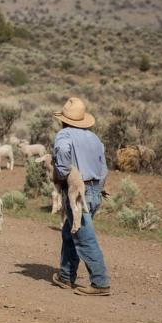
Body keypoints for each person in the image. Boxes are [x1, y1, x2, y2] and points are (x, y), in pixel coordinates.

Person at [49, 97, 111, 296]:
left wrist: (62, 173)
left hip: (77, 191)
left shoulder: (64, 134)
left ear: (64, 120)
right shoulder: (94, 138)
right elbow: (103, 166)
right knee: (71, 232)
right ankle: (66, 276)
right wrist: (99, 187)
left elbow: (63, 151)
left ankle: (100, 282)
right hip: (95, 190)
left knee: (84, 236)